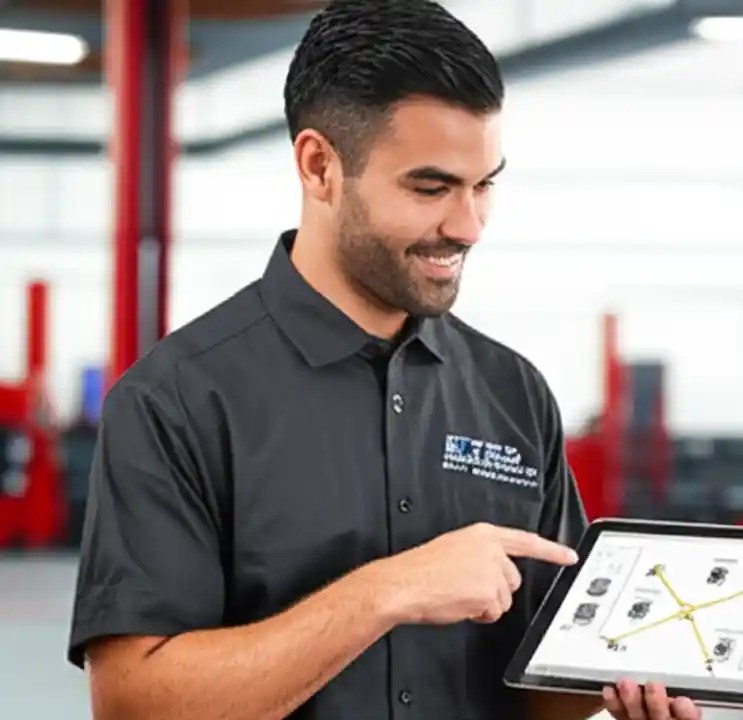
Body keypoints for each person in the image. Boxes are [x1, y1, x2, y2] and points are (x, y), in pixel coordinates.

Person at [67, 2, 700, 719]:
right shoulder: (176, 401)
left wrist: (620, 686)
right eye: (430, 188)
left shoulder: (512, 393)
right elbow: (135, 704)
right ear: (319, 166)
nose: (467, 226)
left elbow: (533, 688)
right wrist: (388, 592)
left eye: (484, 184)